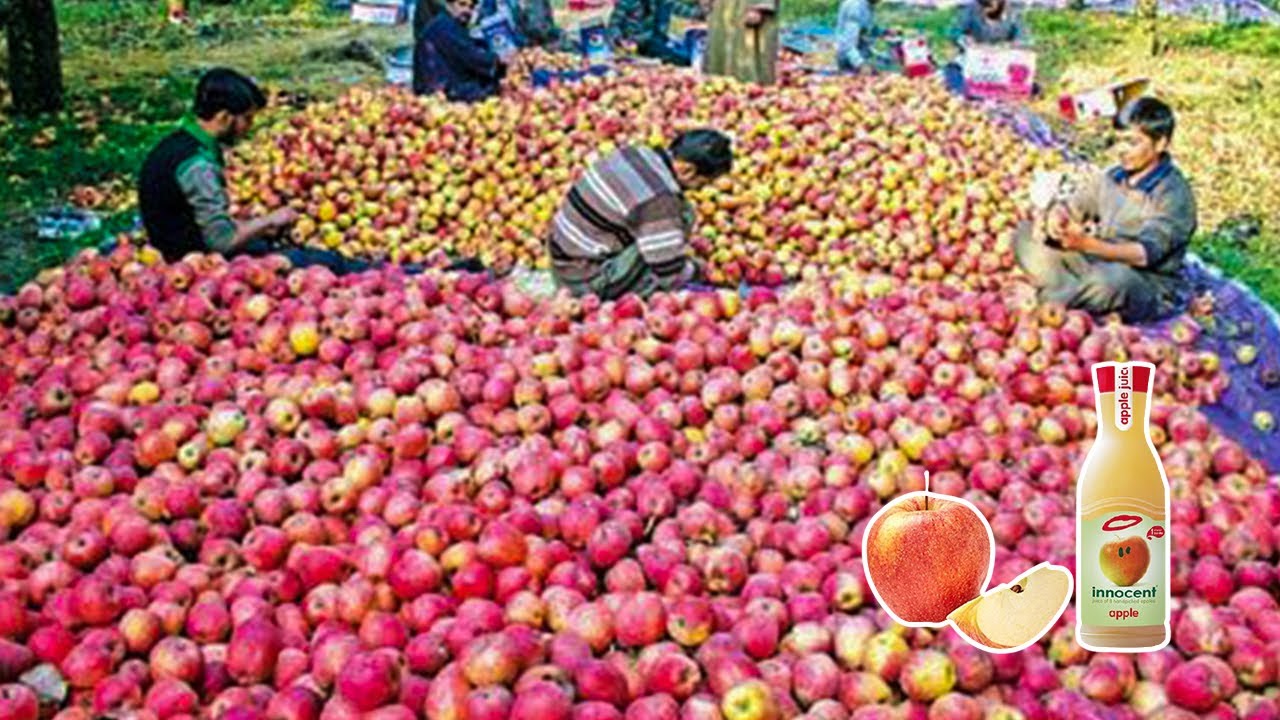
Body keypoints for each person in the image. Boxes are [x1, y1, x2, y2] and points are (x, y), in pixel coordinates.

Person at [1015, 98, 1197, 324]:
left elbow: (1144, 255)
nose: (1121, 151)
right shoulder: (1115, 176)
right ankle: (1072, 293)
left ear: (1160, 143)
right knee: (1024, 233)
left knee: (1111, 282)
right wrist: (1057, 217)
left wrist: (1088, 245)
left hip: (1144, 282)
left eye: (1132, 143)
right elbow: (1075, 204)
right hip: (1097, 259)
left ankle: (1052, 300)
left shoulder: (1173, 194)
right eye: (1117, 141)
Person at [546, 129, 733, 299]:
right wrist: (700, 271)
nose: (701, 189)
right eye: (703, 182)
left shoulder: (635, 152)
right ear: (688, 171)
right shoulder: (661, 198)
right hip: (584, 281)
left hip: (561, 261)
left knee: (666, 225)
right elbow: (669, 274)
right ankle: (631, 289)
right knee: (683, 217)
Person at [414, 0, 509, 102]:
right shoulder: (444, 26)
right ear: (449, 5)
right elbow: (471, 56)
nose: (467, 10)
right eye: (462, 4)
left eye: (471, 7)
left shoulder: (449, 25)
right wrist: (500, 60)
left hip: (444, 88)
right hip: (443, 94)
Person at [609, 0, 707, 66]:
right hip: (635, 43)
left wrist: (701, 13)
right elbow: (614, 24)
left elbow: (678, 8)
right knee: (679, 60)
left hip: (655, 40)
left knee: (684, 59)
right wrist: (619, 40)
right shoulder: (627, 2)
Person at [705, 0, 778, 85]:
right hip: (722, 8)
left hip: (748, 7)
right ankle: (720, 85)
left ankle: (754, 88)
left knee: (749, 53)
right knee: (720, 45)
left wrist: (759, 5)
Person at [471, 0, 561, 50]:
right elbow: (481, 27)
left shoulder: (539, 2)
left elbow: (548, 24)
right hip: (507, 53)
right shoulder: (491, 3)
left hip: (538, 51)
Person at [836, 0, 896, 74]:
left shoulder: (867, 6)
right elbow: (847, 43)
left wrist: (885, 31)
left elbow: (868, 28)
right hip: (850, 59)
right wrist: (860, 64)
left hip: (861, 54)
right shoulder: (855, 6)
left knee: (886, 64)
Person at [952, 0, 1027, 47]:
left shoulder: (1013, 12)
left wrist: (1015, 43)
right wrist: (964, 39)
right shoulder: (969, 10)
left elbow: (1023, 35)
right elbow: (954, 32)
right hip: (975, 54)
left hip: (1004, 56)